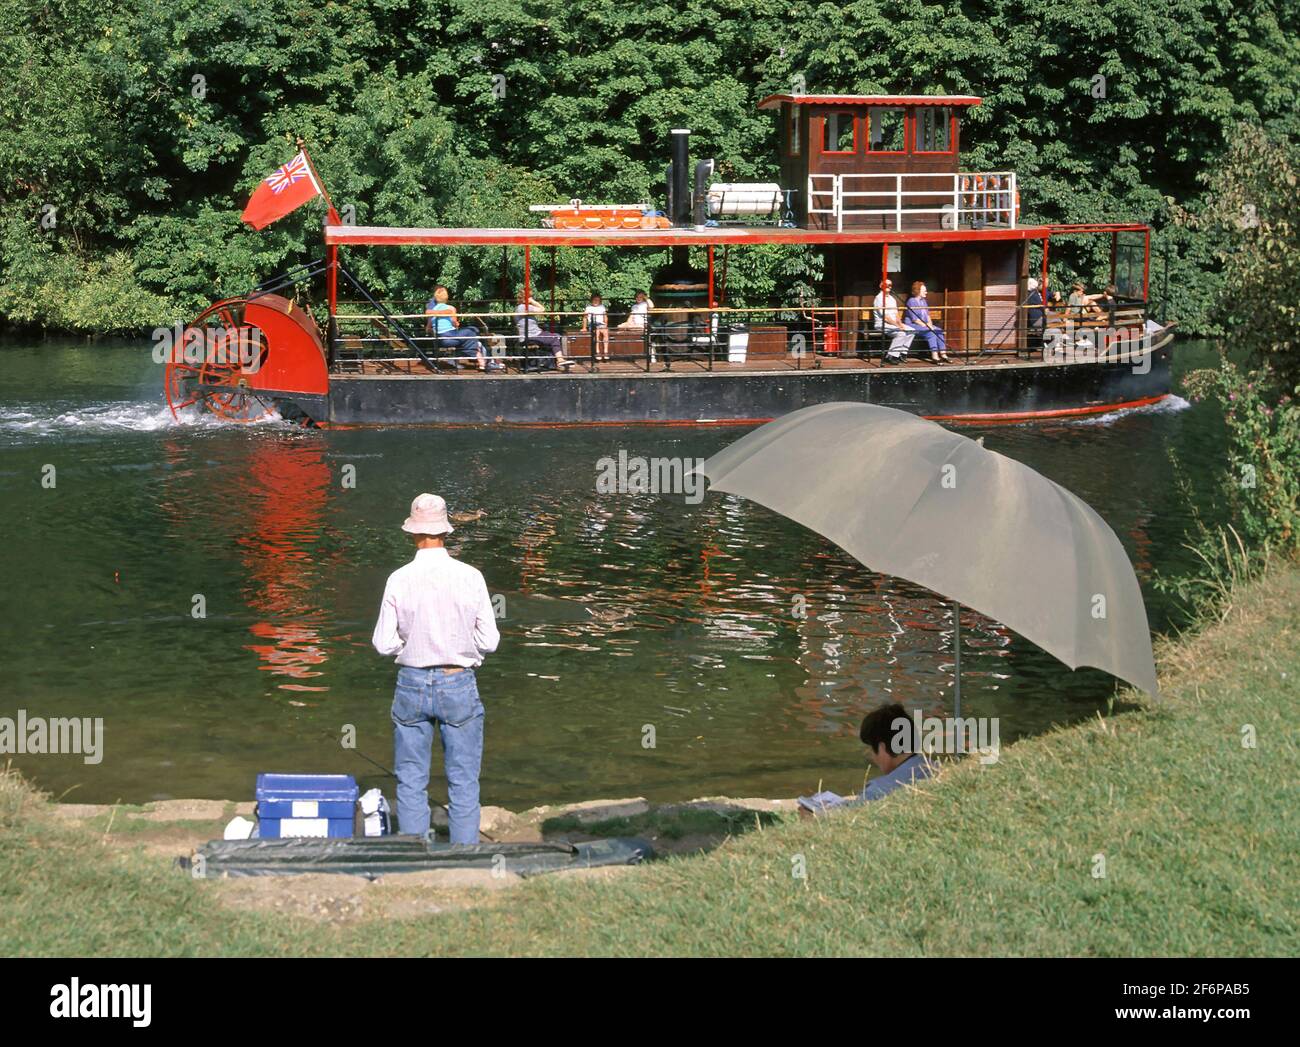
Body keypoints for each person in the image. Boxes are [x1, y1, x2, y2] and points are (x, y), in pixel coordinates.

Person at [371, 493, 500, 844]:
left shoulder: (399, 578)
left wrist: (409, 646)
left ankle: (414, 855)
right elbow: (490, 642)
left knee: (411, 779)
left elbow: (383, 644)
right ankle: (465, 857)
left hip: (411, 682)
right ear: (445, 531)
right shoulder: (470, 576)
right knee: (463, 778)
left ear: (413, 533)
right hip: (457, 681)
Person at [797, 702, 936, 818]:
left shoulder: (879, 790)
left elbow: (851, 824)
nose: (871, 756)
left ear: (882, 747)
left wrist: (813, 822)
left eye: (871, 748)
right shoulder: (938, 770)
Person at [425, 286, 500, 372]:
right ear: (446, 297)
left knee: (466, 338)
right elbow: (455, 324)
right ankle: (480, 359)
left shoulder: (432, 310)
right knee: (472, 331)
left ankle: (476, 356)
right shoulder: (451, 308)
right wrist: (456, 323)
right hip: (449, 337)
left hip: (440, 338)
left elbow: (428, 328)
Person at [515, 292, 572, 370]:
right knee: (555, 338)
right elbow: (542, 309)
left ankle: (554, 362)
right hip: (532, 335)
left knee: (556, 335)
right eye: (530, 297)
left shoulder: (519, 308)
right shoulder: (524, 307)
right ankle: (560, 360)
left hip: (532, 334)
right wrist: (533, 302)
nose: (532, 299)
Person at [870, 278, 915, 365]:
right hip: (882, 324)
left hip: (893, 324)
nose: (888, 287)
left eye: (890, 285)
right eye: (886, 285)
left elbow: (896, 314)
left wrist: (900, 323)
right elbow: (885, 318)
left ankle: (902, 353)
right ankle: (891, 356)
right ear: (881, 286)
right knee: (901, 333)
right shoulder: (879, 298)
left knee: (911, 331)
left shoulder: (892, 298)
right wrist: (898, 326)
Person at [904, 281, 949, 363]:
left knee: (938, 330)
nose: (926, 292)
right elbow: (914, 319)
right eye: (924, 291)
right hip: (913, 325)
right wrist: (928, 327)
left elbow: (928, 316)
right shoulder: (911, 301)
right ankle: (934, 356)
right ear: (918, 291)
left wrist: (930, 325)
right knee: (931, 332)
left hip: (923, 325)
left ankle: (943, 354)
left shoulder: (923, 301)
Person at [583, 292, 610, 362]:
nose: (596, 301)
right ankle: (597, 352)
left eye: (597, 300)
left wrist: (605, 325)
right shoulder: (588, 307)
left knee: (606, 332)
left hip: (601, 324)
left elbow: (605, 317)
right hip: (592, 324)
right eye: (594, 300)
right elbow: (585, 318)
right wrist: (584, 327)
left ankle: (606, 351)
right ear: (591, 300)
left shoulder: (602, 307)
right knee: (597, 332)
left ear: (600, 301)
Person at [1024, 277, 1046, 354]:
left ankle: (1035, 346)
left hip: (1033, 315)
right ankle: (1037, 346)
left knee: (1035, 331)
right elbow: (1040, 304)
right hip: (1037, 315)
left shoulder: (1028, 293)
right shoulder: (1034, 294)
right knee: (1038, 331)